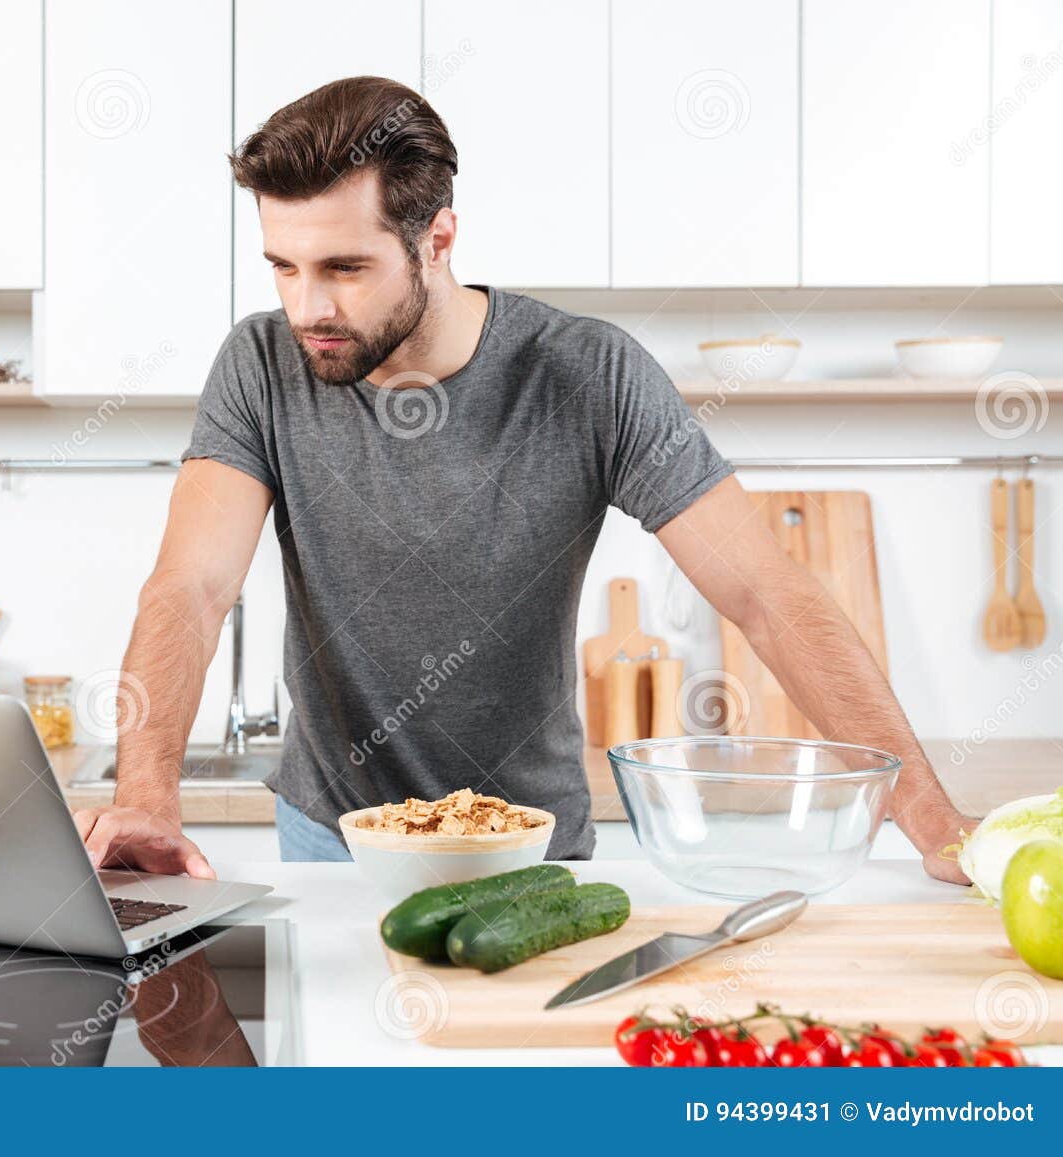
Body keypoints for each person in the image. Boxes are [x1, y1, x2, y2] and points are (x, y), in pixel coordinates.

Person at [71, 76, 973, 885]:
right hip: (330, 838)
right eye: (284, 267)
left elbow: (766, 592)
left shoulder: (587, 372)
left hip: (530, 844)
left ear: (438, 240)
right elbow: (191, 587)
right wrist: (144, 792)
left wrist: (928, 817)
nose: (309, 307)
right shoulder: (261, 361)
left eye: (346, 268)